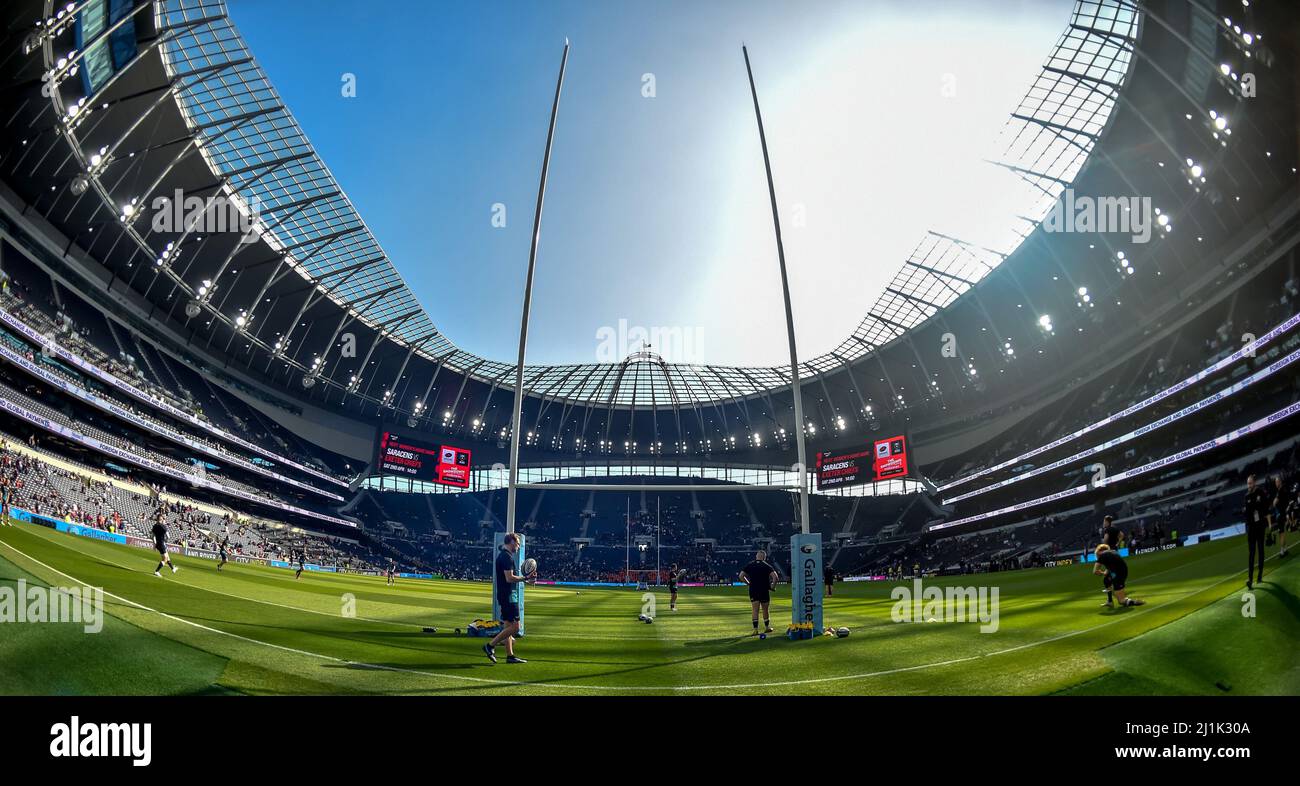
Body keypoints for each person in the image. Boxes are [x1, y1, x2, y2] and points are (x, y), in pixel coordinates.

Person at [484, 533, 535, 665]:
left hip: (505, 595)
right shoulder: (506, 557)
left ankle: (510, 656)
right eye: (517, 543)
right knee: (516, 627)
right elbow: (509, 578)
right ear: (511, 541)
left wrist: (525, 581)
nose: (518, 546)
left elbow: (510, 579)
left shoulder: (504, 556)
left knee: (508, 626)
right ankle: (490, 646)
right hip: (508, 596)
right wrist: (525, 578)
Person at [740, 550, 777, 635]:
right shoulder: (767, 566)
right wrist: (773, 587)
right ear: (764, 557)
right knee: (765, 609)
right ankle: (767, 627)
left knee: (755, 610)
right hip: (764, 590)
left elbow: (741, 576)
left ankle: (755, 630)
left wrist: (748, 583)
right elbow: (775, 577)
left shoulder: (750, 565)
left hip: (753, 590)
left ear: (756, 556)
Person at [1244, 474, 1271, 589]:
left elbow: (1266, 509)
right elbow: (1247, 512)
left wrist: (1269, 524)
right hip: (1251, 528)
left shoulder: (1261, 492)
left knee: (1260, 550)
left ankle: (1259, 575)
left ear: (1254, 482)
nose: (1248, 485)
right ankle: (1250, 578)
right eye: (1247, 483)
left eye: (1250, 483)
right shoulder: (1246, 496)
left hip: (1260, 526)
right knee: (1251, 553)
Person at [1099, 514, 1124, 607]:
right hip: (1115, 553)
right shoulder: (1115, 528)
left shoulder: (1107, 530)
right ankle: (1111, 600)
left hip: (1109, 554)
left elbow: (1105, 541)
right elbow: (1122, 535)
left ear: (1107, 522)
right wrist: (1117, 543)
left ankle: (1115, 598)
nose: (1103, 523)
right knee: (1108, 578)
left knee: (1108, 578)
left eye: (1104, 521)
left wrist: (1102, 547)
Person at [1270, 475, 1289, 559]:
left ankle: (1282, 552)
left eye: (1277, 482)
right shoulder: (1284, 489)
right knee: (1282, 532)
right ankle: (1285, 549)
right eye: (1275, 482)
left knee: (1281, 533)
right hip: (1283, 513)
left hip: (1280, 514)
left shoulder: (1280, 490)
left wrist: (1274, 503)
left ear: (1280, 482)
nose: (1276, 483)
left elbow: (1274, 502)